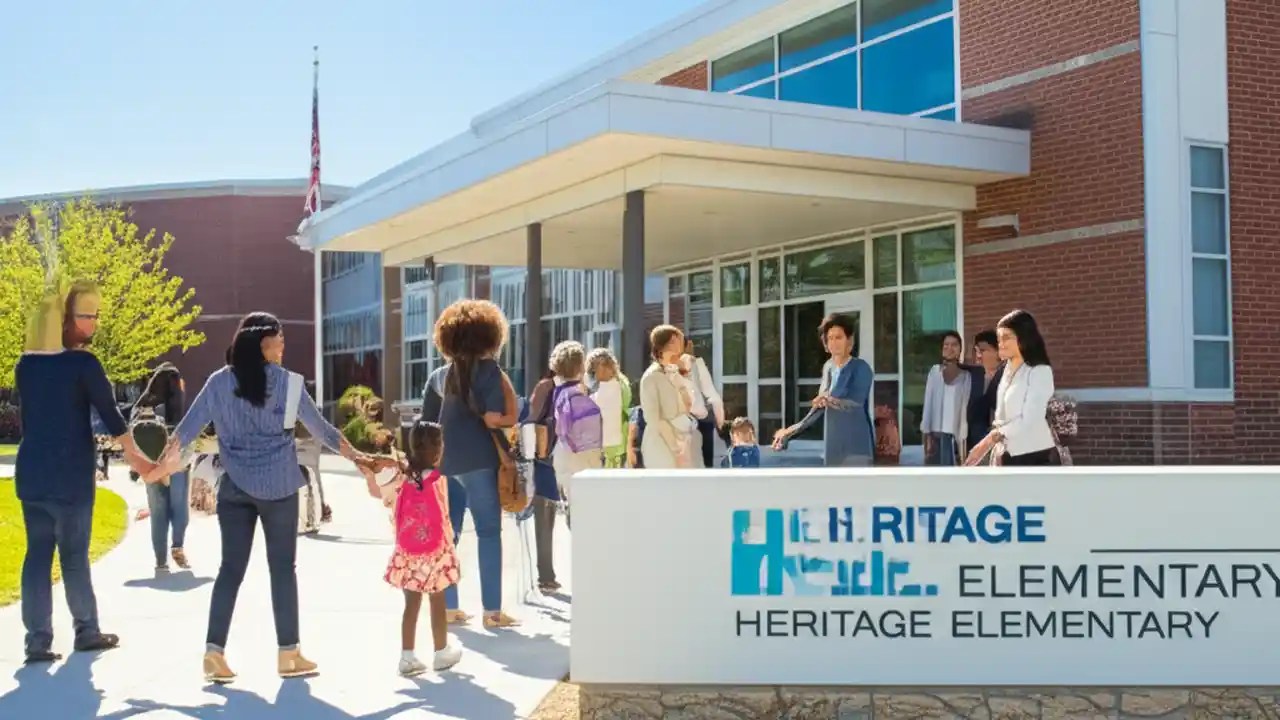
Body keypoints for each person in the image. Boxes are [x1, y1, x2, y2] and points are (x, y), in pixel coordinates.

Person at [150, 312, 372, 683]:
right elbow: (323, 431)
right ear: (263, 344)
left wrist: (156, 469)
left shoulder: (218, 382)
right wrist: (360, 458)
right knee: (282, 570)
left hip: (234, 487)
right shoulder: (289, 384)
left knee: (230, 570)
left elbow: (185, 431)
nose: (283, 347)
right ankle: (288, 653)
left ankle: (213, 653)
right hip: (278, 489)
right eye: (279, 340)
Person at [15, 280, 156, 663]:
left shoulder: (26, 365)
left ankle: (37, 641)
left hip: (32, 474)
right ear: (65, 319)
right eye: (86, 316)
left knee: (37, 555)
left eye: (95, 316)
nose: (94, 323)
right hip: (70, 476)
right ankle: (87, 630)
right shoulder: (84, 365)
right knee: (74, 556)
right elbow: (112, 417)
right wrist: (139, 461)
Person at [420, 299, 521, 629]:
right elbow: (497, 417)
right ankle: (492, 612)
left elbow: (425, 423)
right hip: (480, 459)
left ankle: (449, 607)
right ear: (489, 334)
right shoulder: (490, 371)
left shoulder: (440, 376)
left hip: (445, 463)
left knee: (449, 535)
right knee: (489, 532)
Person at [361, 420, 462, 676]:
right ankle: (441, 652)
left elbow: (388, 502)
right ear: (438, 449)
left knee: (411, 605)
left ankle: (407, 657)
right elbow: (443, 515)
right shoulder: (437, 479)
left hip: (408, 550)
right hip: (435, 550)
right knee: (437, 600)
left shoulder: (404, 479)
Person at [771, 314, 875, 466]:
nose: (834, 342)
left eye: (838, 337)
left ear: (849, 340)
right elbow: (818, 409)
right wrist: (789, 432)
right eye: (830, 338)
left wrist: (829, 400)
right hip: (833, 447)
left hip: (857, 447)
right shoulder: (828, 367)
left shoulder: (861, 368)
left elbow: (856, 402)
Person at [966, 309, 1057, 466]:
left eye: (1006, 337)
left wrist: (989, 440)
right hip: (1006, 454)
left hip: (1033, 456)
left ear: (1023, 338)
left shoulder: (1040, 372)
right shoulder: (1005, 371)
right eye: (999, 338)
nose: (1000, 343)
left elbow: (1031, 419)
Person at [135, 362, 193, 571]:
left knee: (158, 511)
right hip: (177, 464)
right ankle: (177, 547)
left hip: (152, 465)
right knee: (179, 507)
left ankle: (160, 560)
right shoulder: (180, 413)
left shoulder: (143, 409)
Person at [548, 341, 604, 518]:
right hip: (583, 454)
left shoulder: (558, 391)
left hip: (564, 452)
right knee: (587, 509)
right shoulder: (578, 394)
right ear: (580, 366)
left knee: (573, 506)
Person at [525, 369, 562, 593]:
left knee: (549, 518)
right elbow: (529, 421)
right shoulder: (547, 386)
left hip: (558, 460)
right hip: (546, 461)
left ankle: (547, 575)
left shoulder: (571, 387)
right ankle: (546, 575)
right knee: (545, 518)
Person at [638, 325, 697, 469]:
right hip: (661, 444)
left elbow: (688, 406)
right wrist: (676, 449)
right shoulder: (651, 377)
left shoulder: (675, 371)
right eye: (676, 340)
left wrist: (681, 385)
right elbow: (654, 419)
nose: (680, 345)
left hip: (683, 439)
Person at [921, 331, 972, 466]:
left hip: (953, 435)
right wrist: (926, 432)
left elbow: (964, 407)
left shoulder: (965, 376)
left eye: (954, 345)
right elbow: (928, 403)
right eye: (946, 345)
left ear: (960, 349)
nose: (950, 348)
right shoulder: (934, 372)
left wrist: (962, 435)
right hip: (936, 434)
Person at [682, 338, 724, 468]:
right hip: (698, 419)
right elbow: (711, 393)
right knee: (704, 466)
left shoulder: (694, 364)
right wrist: (720, 421)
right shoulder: (696, 364)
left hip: (691, 420)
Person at [586, 348, 631, 469]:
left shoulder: (609, 388)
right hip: (620, 443)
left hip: (609, 444)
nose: (594, 374)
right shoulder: (622, 382)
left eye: (594, 370)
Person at [965, 329, 1004, 453]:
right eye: (976, 351)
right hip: (976, 448)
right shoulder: (972, 380)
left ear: (998, 352)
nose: (978, 356)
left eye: (982, 351)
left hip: (1000, 447)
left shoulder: (1007, 379)